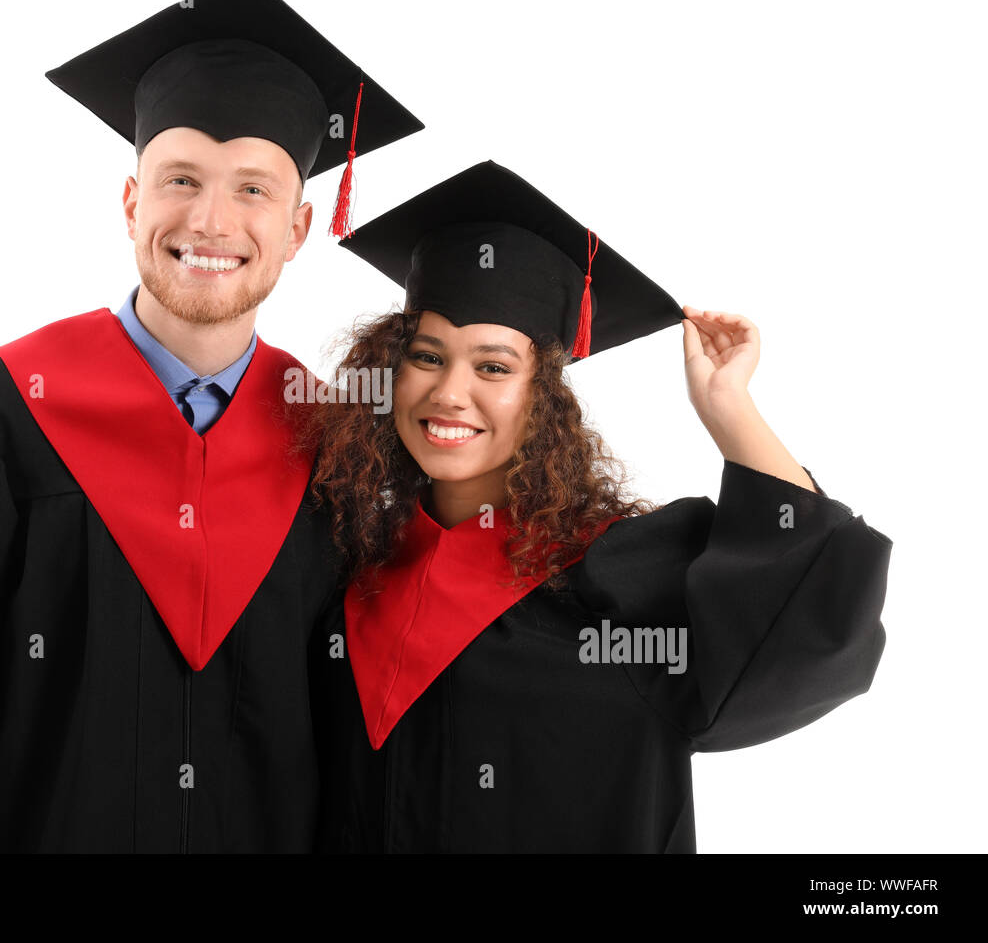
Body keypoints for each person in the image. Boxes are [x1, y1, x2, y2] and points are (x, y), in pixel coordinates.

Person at [0, 0, 422, 853]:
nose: (212, 218)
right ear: (131, 203)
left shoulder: (337, 454)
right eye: (181, 178)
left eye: (254, 189)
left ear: (299, 229)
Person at [303, 161, 891, 853]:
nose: (449, 394)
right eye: (428, 358)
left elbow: (809, 636)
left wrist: (729, 410)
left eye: (493, 367)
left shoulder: (619, 583)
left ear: (544, 397)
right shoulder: (346, 564)